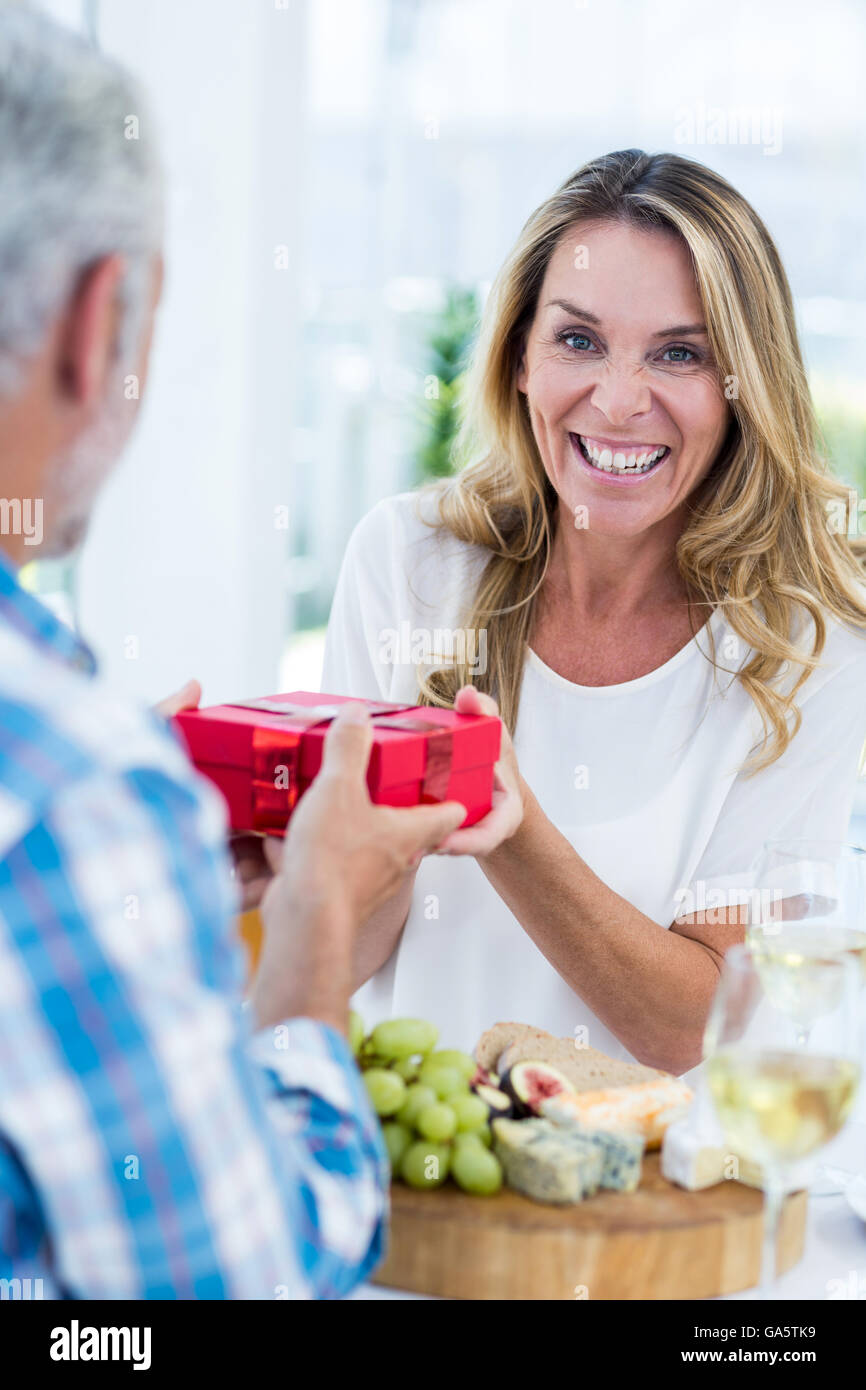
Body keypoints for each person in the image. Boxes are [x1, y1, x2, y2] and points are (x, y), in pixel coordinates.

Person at [0, 8, 520, 1299]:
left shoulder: (76, 784)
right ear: (100, 324)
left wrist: (130, 882)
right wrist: (311, 926)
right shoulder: (72, 789)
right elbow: (242, 1281)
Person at [324, 148, 866, 1081]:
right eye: (578, 340)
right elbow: (348, 949)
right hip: (430, 1160)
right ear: (519, 359)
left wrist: (510, 824)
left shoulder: (806, 639)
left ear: (744, 384)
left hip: (654, 1175)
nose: (617, 403)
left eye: (680, 353)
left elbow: (696, 1027)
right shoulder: (408, 563)